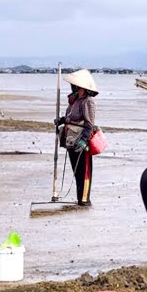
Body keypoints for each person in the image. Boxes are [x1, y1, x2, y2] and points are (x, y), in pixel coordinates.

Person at [54, 69, 98, 207]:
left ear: (82, 87)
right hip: (71, 139)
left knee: (83, 172)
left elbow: (89, 124)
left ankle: (84, 200)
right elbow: (71, 118)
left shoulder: (88, 102)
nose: (74, 88)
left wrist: (84, 139)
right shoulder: (74, 100)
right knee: (76, 171)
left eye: (76, 86)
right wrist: (61, 120)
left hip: (81, 140)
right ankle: (80, 198)